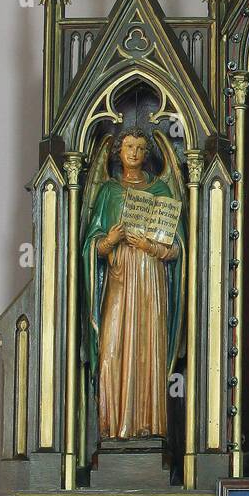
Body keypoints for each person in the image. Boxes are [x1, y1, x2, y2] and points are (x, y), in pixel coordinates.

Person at [82, 126, 186, 440]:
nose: (134, 153)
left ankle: (149, 426)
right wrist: (108, 240)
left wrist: (150, 246)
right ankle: (114, 428)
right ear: (119, 152)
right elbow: (90, 247)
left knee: (148, 346)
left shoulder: (162, 192)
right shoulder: (108, 192)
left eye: (140, 148)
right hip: (119, 279)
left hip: (152, 281)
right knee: (112, 346)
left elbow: (177, 248)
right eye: (128, 147)